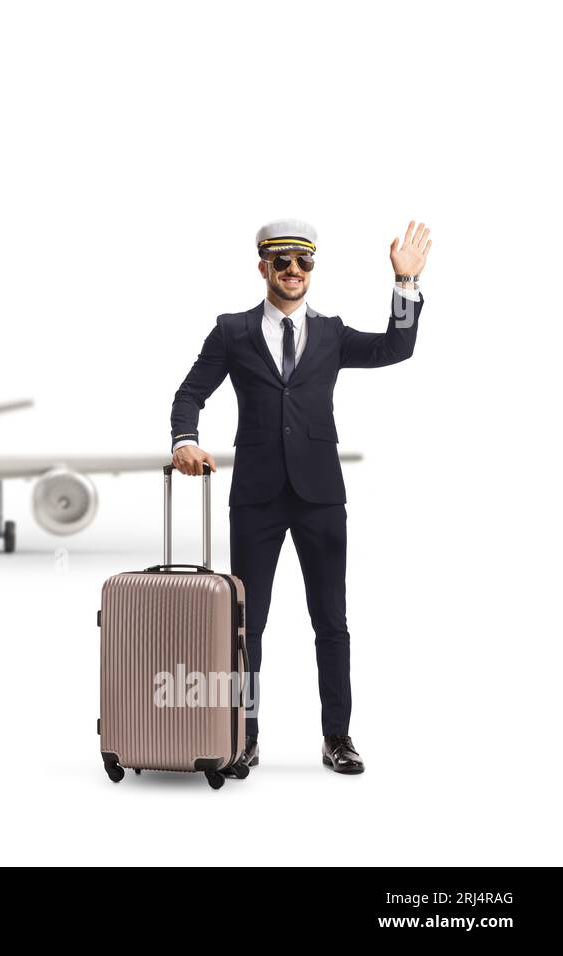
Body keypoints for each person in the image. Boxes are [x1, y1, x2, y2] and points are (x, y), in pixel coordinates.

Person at [170, 219, 430, 774]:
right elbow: (191, 393)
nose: (293, 272)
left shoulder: (332, 333)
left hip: (319, 495)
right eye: (282, 261)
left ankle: (337, 736)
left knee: (330, 620)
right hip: (257, 496)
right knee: (245, 624)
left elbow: (395, 348)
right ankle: (243, 735)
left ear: (312, 270)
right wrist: (185, 440)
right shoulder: (232, 330)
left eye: (303, 263)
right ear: (263, 266)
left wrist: (404, 286)